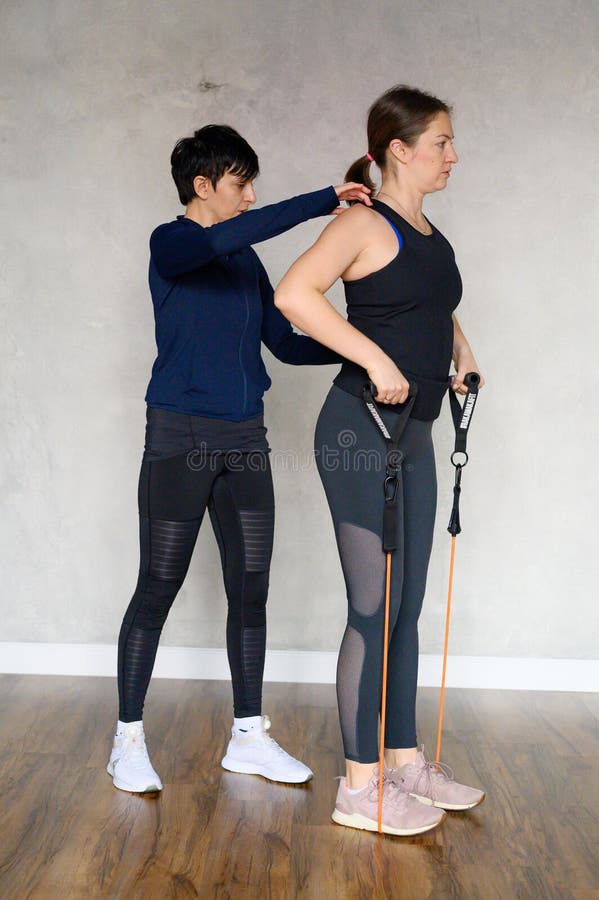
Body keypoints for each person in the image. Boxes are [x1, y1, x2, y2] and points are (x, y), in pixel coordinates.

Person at [107, 124, 371, 794]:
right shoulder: (171, 244)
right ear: (203, 186)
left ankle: (248, 739)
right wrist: (318, 202)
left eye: (252, 183)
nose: (250, 196)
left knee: (250, 589)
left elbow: (282, 343)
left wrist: (358, 348)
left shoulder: (242, 262)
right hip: (178, 436)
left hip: (244, 440)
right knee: (157, 588)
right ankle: (127, 741)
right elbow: (221, 237)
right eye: (239, 183)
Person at [275, 86, 485, 836]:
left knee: (406, 608)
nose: (452, 155)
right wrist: (373, 357)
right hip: (358, 432)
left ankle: (402, 761)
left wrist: (455, 352)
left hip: (415, 434)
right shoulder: (362, 222)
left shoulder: (426, 231)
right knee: (372, 608)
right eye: (440, 142)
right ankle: (358, 786)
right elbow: (295, 296)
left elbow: (428, 302)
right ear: (397, 148)